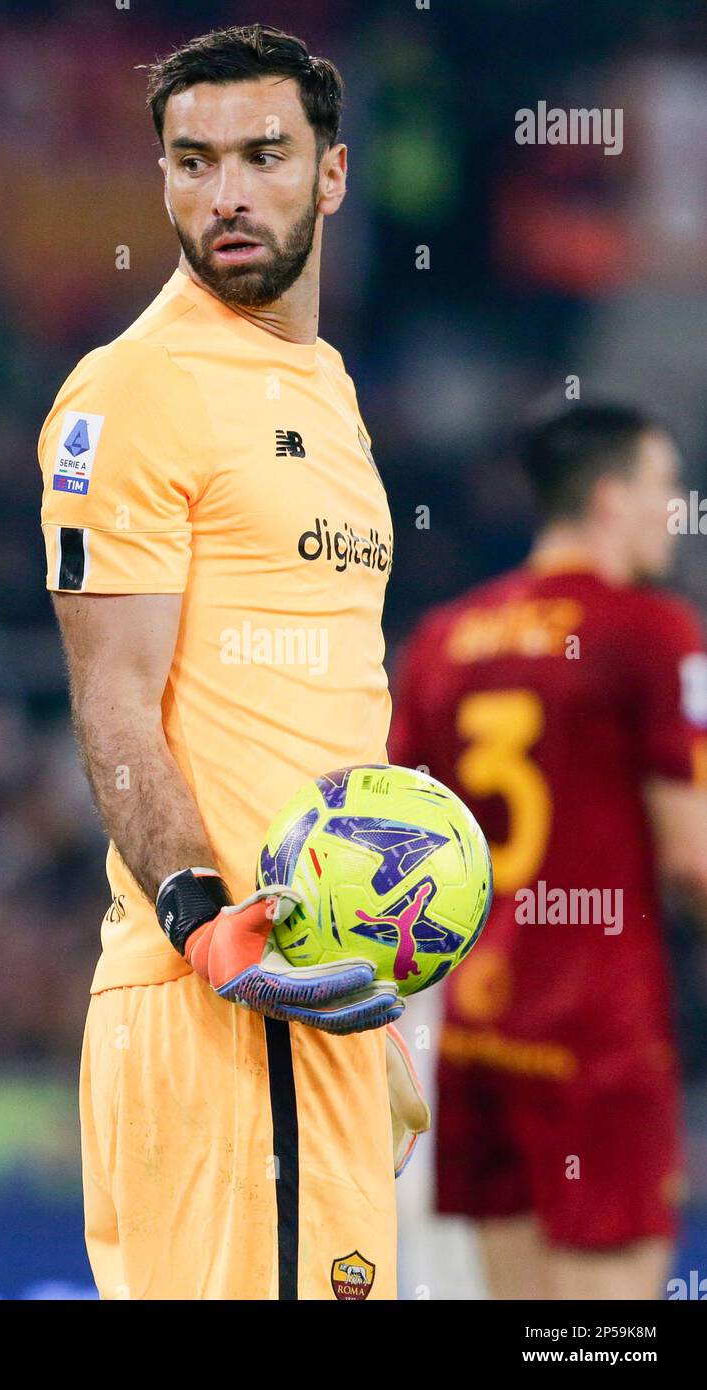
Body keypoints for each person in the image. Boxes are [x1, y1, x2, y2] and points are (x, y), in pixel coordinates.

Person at [37, 24, 427, 1301]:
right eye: (192, 161)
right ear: (160, 180)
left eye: (263, 155)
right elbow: (113, 706)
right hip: (221, 999)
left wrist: (384, 979)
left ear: (331, 174)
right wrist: (205, 922)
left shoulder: (326, 387)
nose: (227, 193)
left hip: (323, 1006)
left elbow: (323, 712)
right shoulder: (132, 389)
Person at [389, 403, 707, 1299]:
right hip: (600, 1034)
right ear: (611, 499)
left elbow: (399, 835)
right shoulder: (651, 630)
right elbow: (693, 857)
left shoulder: (445, 640)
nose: (678, 510)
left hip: (479, 1032)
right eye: (666, 488)